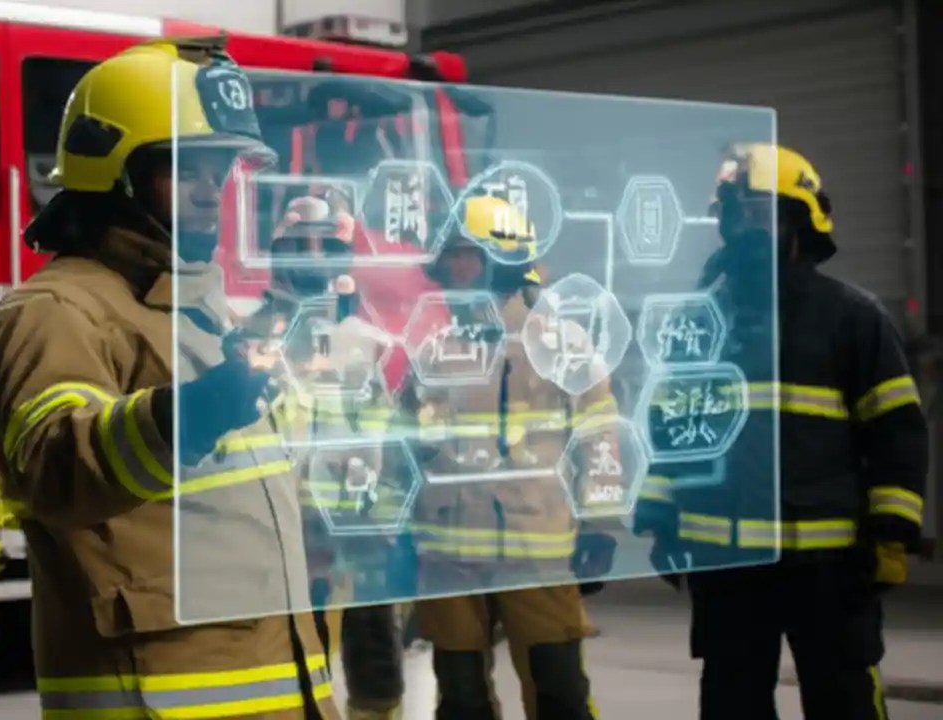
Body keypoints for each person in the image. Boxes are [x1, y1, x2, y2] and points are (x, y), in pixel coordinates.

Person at [0, 37, 336, 719]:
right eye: (184, 168)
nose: (212, 193)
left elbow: (233, 404)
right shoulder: (54, 310)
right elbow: (56, 463)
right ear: (114, 175)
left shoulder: (189, 299)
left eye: (221, 170)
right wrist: (190, 416)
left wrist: (290, 300)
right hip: (160, 695)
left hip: (274, 682)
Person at [638, 143, 929, 720]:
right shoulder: (699, 319)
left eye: (761, 214)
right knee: (732, 703)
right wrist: (660, 515)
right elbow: (673, 429)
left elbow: (896, 430)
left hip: (829, 568)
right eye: (734, 213)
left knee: (843, 700)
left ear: (800, 222)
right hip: (726, 566)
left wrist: (892, 531)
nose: (745, 229)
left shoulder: (852, 317)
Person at [410, 196, 613, 720]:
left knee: (560, 694)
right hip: (449, 557)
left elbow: (601, 436)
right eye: (450, 259)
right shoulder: (435, 353)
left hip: (536, 554)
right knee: (461, 702)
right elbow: (407, 447)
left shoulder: (562, 344)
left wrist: (602, 526)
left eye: (464, 257)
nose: (451, 272)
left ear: (498, 259)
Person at [243, 194, 407, 720]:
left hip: (357, 540)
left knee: (377, 672)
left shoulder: (367, 344)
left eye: (325, 247)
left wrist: (388, 533)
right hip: (285, 540)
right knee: (299, 675)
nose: (313, 258)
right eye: (299, 246)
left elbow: (390, 442)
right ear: (277, 255)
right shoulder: (247, 339)